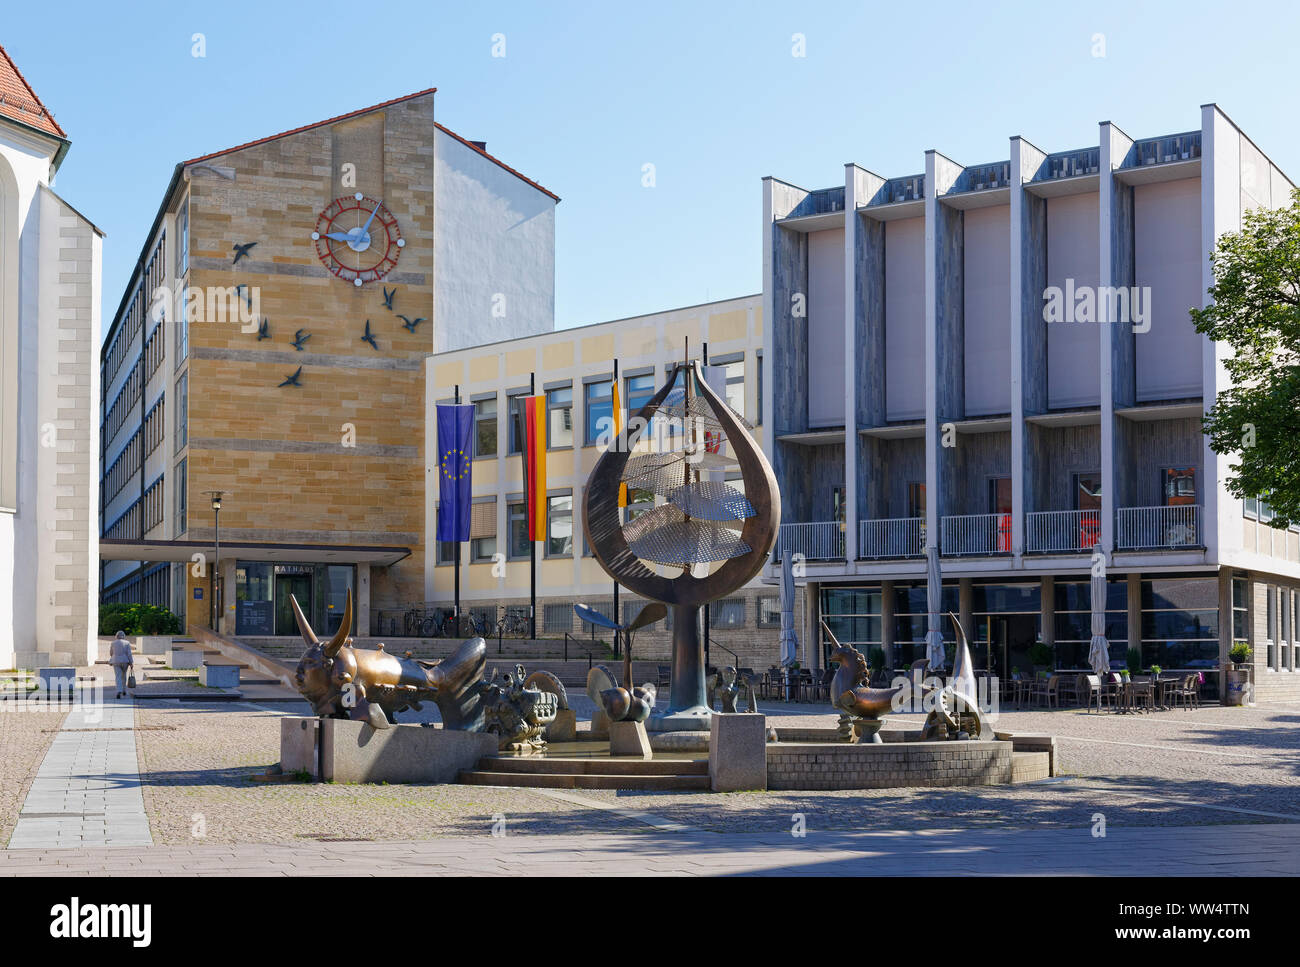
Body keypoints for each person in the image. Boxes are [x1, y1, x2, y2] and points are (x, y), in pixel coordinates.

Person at [109, 631, 134, 699]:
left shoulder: (113, 643)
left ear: (116, 636)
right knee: (124, 676)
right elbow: (129, 653)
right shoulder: (127, 643)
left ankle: (118, 691)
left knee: (118, 676)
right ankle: (124, 690)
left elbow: (111, 653)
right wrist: (131, 662)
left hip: (116, 661)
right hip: (125, 661)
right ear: (123, 636)